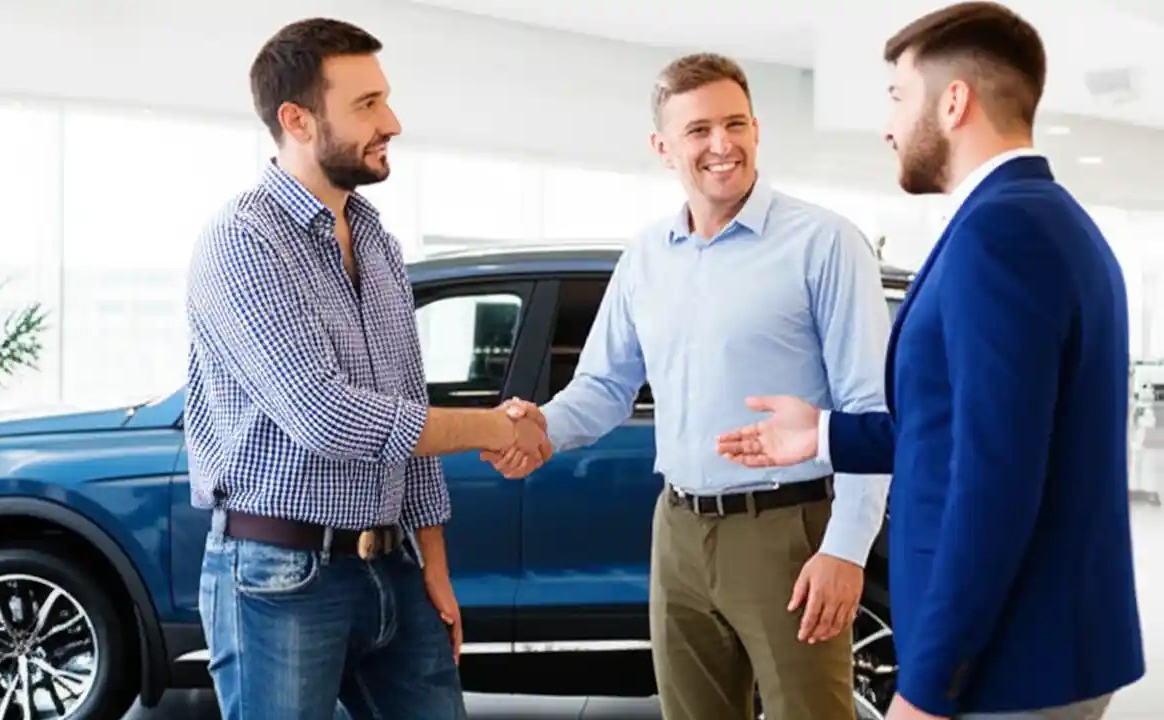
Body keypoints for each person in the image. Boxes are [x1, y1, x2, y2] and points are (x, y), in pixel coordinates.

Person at [716, 3, 1146, 719]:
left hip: (1008, 666)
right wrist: (824, 434)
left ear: (953, 101)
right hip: (1044, 652)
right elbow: (966, 429)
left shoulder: (1000, 235)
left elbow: (993, 485)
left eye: (896, 97)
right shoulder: (1047, 219)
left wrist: (927, 686)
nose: (887, 125)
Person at [487, 52, 892, 720]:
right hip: (677, 529)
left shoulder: (824, 244)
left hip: (788, 529)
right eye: (699, 130)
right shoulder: (647, 255)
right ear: (662, 146)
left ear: (757, 128)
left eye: (736, 123)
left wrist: (844, 550)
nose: (722, 144)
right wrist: (534, 429)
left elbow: (867, 409)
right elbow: (602, 388)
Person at [183, 17, 550, 720]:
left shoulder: (375, 237)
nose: (393, 121)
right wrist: (492, 427)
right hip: (280, 577)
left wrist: (434, 566)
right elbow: (330, 416)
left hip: (395, 570)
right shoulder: (242, 243)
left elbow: (404, 403)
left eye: (385, 98)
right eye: (367, 105)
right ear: (297, 119)